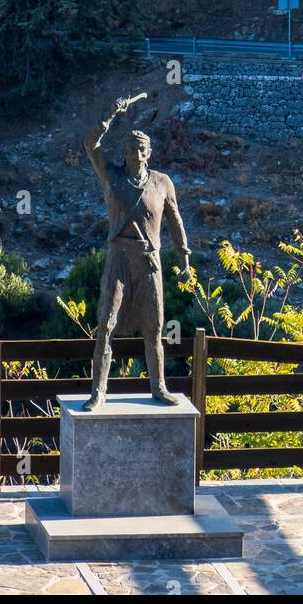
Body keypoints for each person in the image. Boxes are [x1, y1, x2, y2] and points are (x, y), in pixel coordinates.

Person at [82, 94, 191, 411]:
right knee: (107, 324)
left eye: (142, 149)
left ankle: (158, 387)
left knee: (154, 327)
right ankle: (98, 392)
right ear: (124, 153)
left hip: (149, 262)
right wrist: (109, 114)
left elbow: (176, 222)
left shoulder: (162, 182)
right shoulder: (111, 175)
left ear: (150, 152)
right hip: (119, 258)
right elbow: (91, 145)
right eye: (131, 149)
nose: (137, 154)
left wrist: (184, 259)